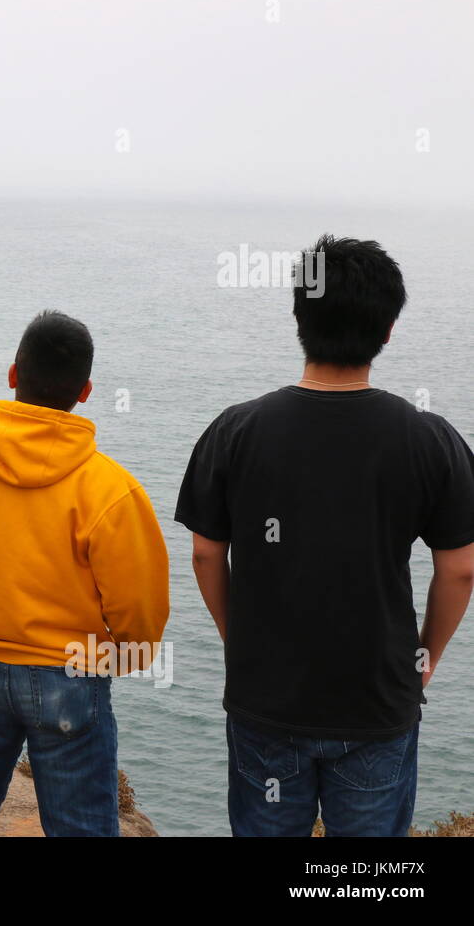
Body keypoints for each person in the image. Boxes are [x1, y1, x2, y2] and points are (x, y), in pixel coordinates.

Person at [176, 234, 474, 837]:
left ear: (298, 319)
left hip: (266, 699)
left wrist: (240, 639)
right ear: (388, 329)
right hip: (377, 701)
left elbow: (207, 553)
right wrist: (425, 659)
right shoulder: (430, 440)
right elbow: (460, 569)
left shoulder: (236, 430)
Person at [0, 309, 170, 836]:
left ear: (12, 375)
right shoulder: (111, 489)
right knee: (80, 828)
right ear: (87, 390)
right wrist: (113, 658)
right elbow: (139, 613)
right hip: (73, 674)